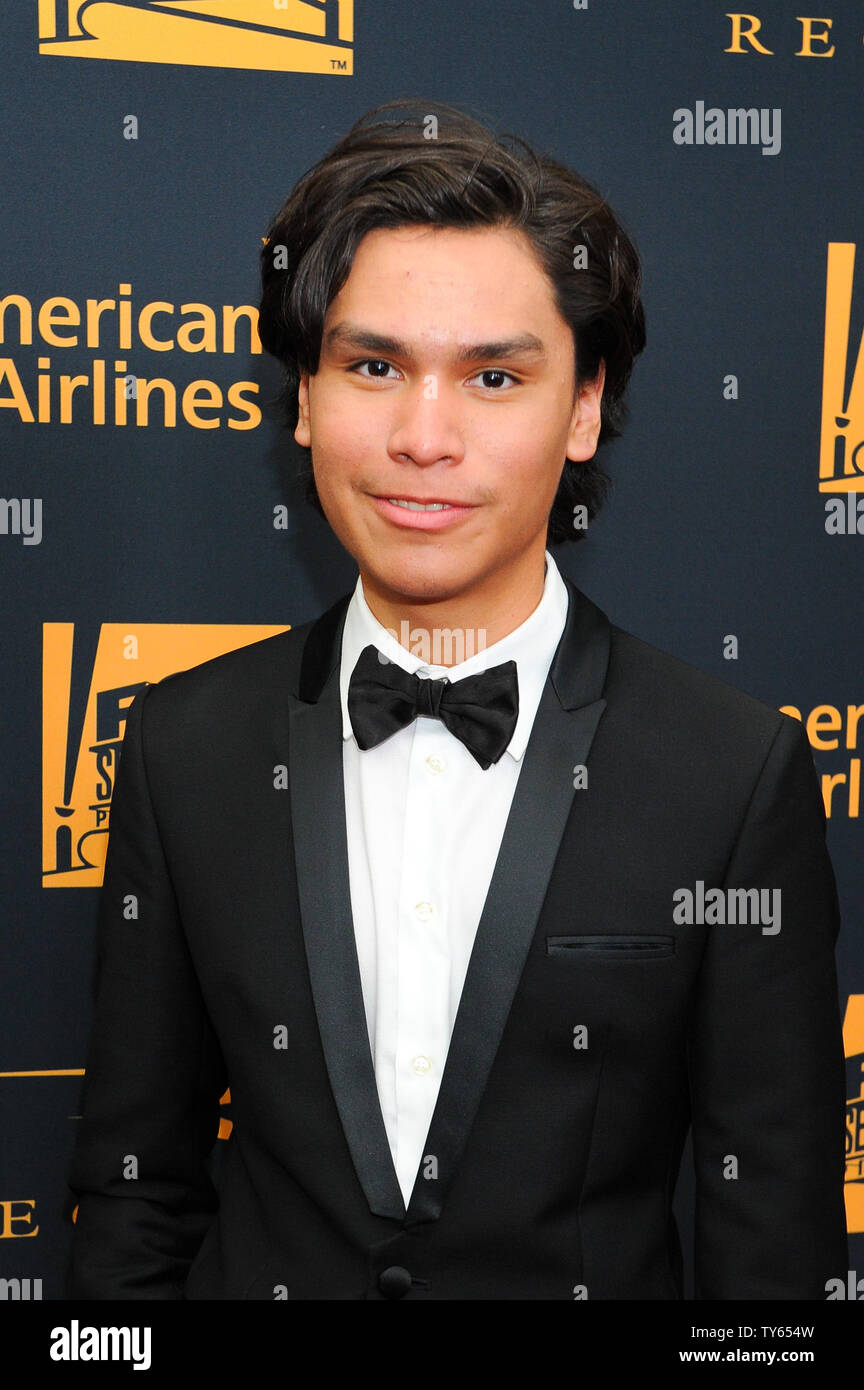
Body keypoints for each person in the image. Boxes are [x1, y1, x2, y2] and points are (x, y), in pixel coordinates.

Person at [66, 98, 848, 1300]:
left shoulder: (731, 775)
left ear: (583, 408)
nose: (424, 437)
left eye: (492, 376)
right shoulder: (184, 745)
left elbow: (773, 1256)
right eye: (373, 366)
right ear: (303, 398)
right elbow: (133, 1195)